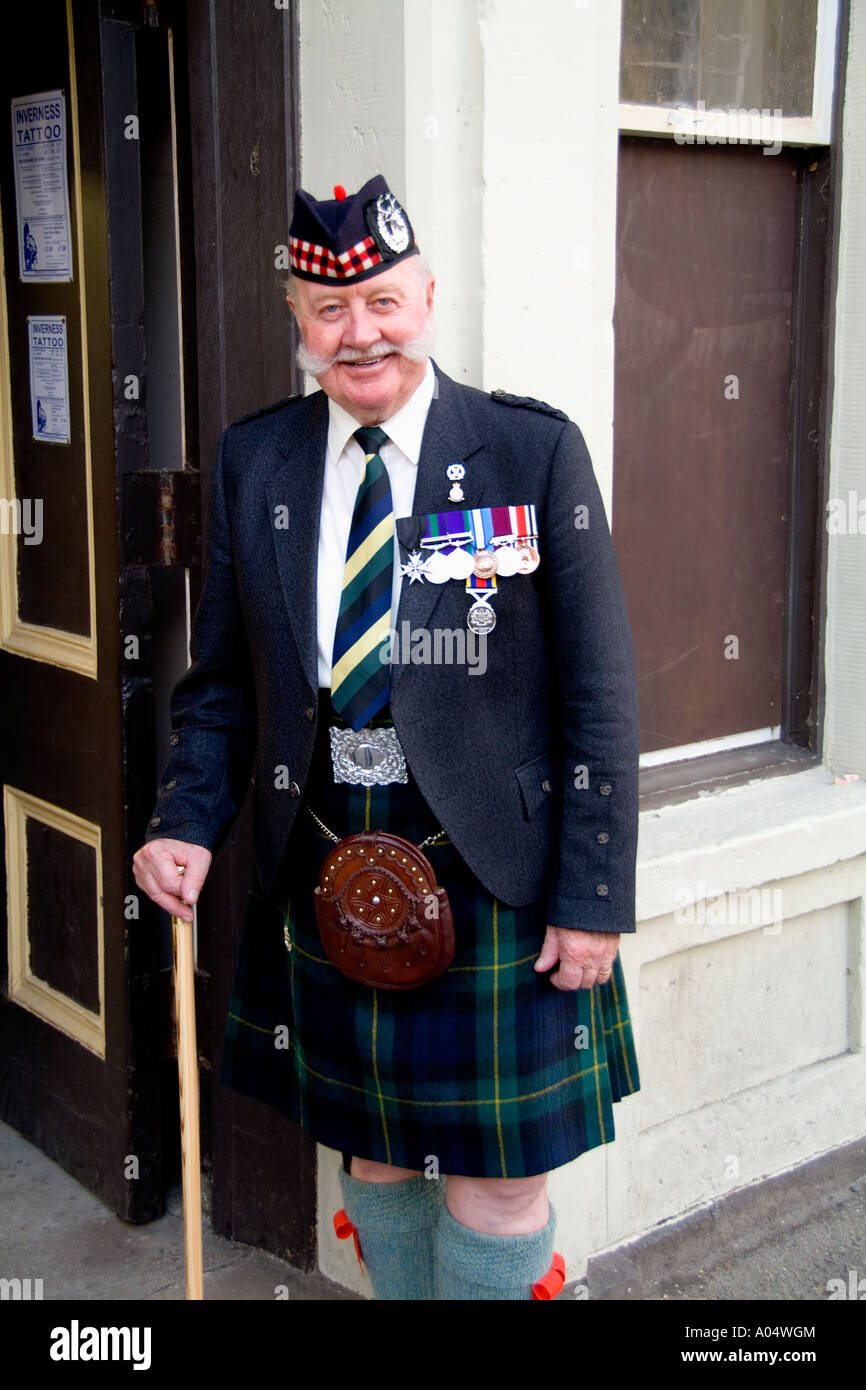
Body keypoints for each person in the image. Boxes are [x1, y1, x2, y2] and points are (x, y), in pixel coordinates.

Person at [132, 174, 640, 1301]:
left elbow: (599, 695)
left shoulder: (526, 451)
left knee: (496, 1186)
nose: (358, 334)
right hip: (325, 858)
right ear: (299, 326)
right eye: (328, 312)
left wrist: (591, 895)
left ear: (423, 300)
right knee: (374, 1155)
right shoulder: (256, 460)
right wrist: (184, 822)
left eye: (382, 303)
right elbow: (222, 683)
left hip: (493, 873)